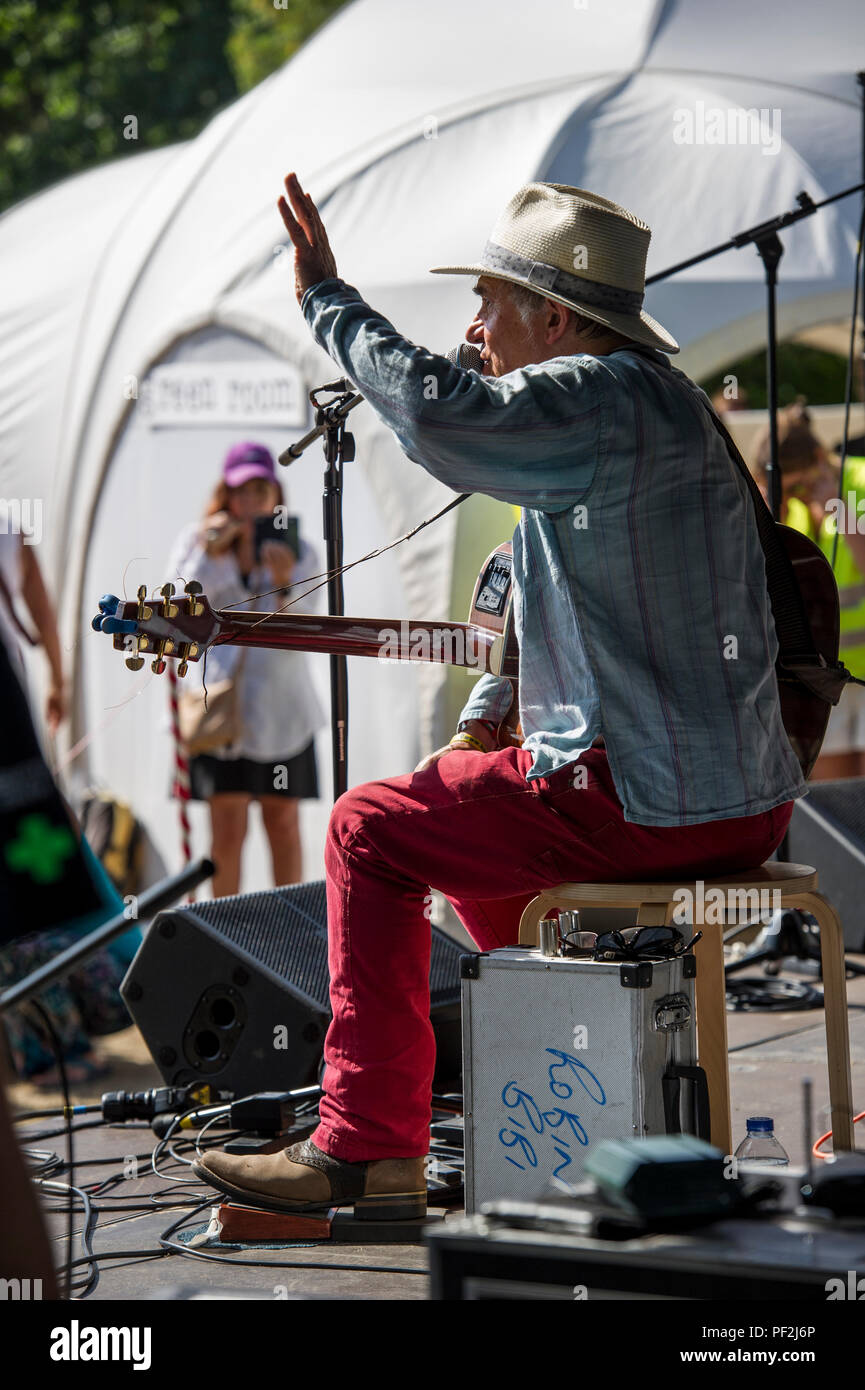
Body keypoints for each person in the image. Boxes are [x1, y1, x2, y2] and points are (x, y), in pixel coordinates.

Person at [193, 174, 805, 1219]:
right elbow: (533, 611)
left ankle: (364, 1148)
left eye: (489, 301)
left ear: (556, 316)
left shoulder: (596, 397)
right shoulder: (655, 411)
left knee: (365, 829)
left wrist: (328, 298)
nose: (473, 327)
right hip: (741, 798)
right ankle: (541, 1099)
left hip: (644, 802)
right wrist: (479, 729)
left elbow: (441, 415)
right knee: (458, 802)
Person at [169, 443, 325, 896]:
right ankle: (228, 940)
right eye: (243, 490)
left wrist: (283, 582)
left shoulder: (303, 553)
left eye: (262, 488)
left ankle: (287, 930)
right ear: (227, 495)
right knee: (227, 831)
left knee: (283, 823)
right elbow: (177, 609)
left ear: (276, 493)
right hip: (220, 712)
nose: (254, 500)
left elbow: (306, 628)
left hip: (283, 714)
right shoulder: (197, 544)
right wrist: (207, 550)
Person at [753, 399, 865, 779]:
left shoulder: (858, 483)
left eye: (800, 485)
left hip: (863, 675)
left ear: (820, 458)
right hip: (823, 678)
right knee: (834, 802)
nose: (797, 496)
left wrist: (840, 510)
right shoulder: (789, 504)